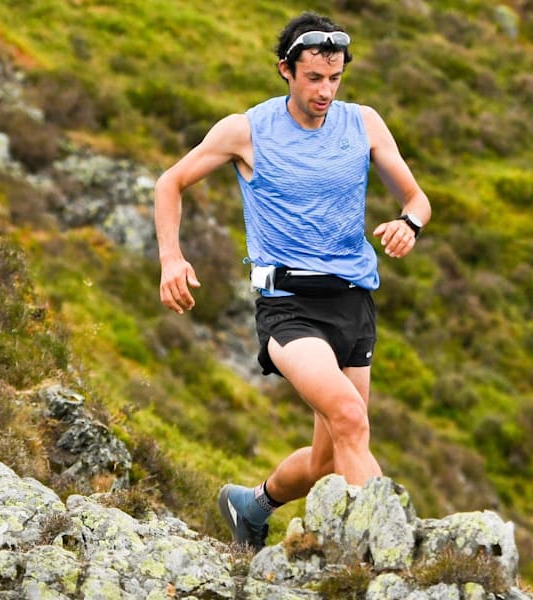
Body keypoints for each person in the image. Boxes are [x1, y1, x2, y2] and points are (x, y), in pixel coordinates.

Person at [153, 11, 431, 551]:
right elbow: (171, 182)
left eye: (335, 78)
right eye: (314, 78)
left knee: (328, 459)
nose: (325, 91)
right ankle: (393, 553)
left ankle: (250, 506)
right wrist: (171, 259)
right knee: (349, 417)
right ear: (286, 70)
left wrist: (409, 224)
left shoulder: (364, 124)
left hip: (354, 304)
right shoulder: (246, 131)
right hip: (289, 307)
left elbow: (416, 198)